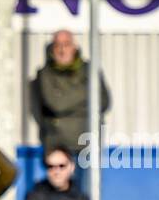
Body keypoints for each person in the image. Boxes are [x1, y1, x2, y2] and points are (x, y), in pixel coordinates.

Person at [30, 29, 111, 163]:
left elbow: (103, 102)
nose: (62, 50)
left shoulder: (90, 70)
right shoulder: (44, 74)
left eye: (66, 44)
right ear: (52, 49)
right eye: (58, 45)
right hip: (56, 145)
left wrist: (66, 99)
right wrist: (87, 93)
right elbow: (57, 105)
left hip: (87, 143)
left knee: (87, 184)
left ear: (74, 47)